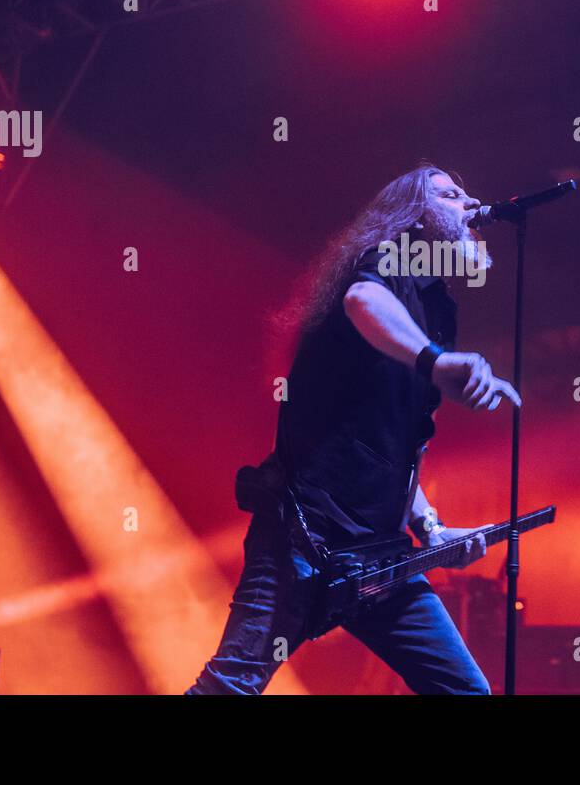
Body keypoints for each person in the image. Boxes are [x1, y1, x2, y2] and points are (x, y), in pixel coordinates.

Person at [187, 164, 520, 695]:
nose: (470, 199)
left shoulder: (437, 307)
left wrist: (430, 528)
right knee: (231, 685)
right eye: (450, 193)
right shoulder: (381, 260)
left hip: (380, 554)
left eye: (465, 190)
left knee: (466, 691)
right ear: (414, 213)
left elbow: (410, 439)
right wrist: (434, 361)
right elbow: (363, 301)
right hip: (302, 535)